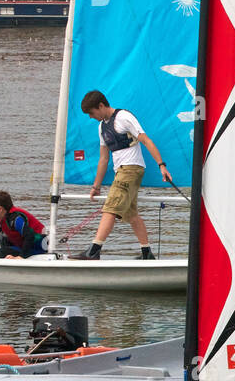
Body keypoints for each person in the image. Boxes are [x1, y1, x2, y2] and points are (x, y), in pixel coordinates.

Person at [73, 90, 172, 260]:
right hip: (121, 171)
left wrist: (161, 165)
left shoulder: (124, 117)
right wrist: (96, 186)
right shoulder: (101, 127)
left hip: (131, 169)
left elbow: (146, 140)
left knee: (110, 208)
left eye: (91, 112)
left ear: (101, 106)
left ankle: (94, 250)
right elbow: (103, 159)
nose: (90, 117)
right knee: (131, 214)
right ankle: (146, 253)